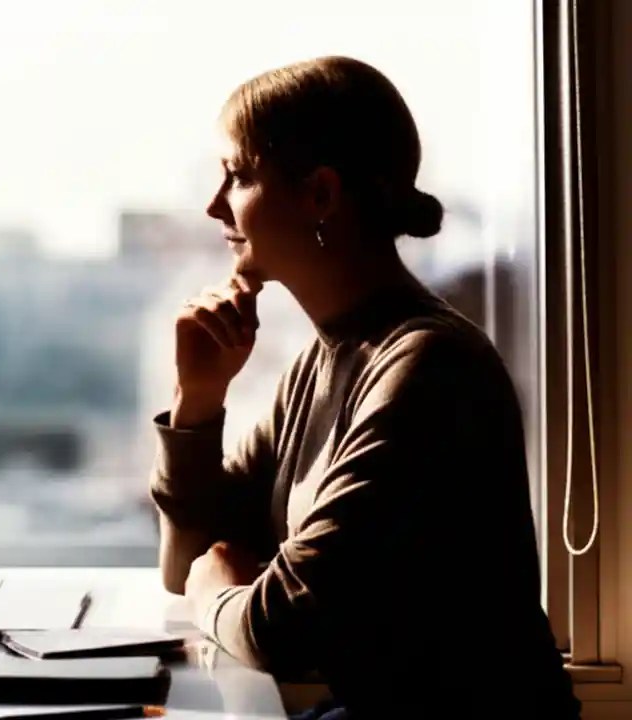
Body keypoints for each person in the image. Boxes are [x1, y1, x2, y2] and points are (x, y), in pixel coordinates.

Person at [148, 56, 579, 719]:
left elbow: (276, 628)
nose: (214, 205)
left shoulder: (429, 370)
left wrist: (215, 592)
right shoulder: (318, 369)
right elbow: (185, 563)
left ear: (320, 195)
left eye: (236, 176)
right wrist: (197, 404)